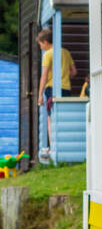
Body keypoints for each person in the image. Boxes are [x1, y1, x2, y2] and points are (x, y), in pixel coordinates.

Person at [37, 28, 77, 156]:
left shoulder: (48, 54)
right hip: (66, 88)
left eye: (40, 44)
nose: (41, 47)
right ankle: (66, 147)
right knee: (64, 116)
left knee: (51, 118)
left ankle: (53, 148)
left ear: (45, 42)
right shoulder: (66, 52)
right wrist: (64, 77)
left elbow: (44, 75)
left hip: (51, 89)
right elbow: (74, 72)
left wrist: (39, 96)